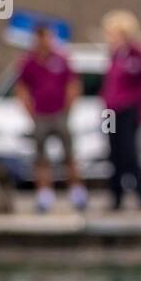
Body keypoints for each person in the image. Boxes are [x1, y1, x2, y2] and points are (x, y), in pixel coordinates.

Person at [15, 24, 85, 213]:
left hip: (60, 114)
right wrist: (30, 111)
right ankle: (44, 195)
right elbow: (22, 88)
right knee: (41, 158)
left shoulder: (61, 59)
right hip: (40, 116)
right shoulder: (28, 62)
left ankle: (77, 192)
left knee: (69, 155)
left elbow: (73, 84)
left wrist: (68, 108)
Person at [100, 10, 141, 210]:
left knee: (129, 153)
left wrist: (131, 100)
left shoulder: (137, 53)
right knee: (114, 153)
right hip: (111, 111)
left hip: (128, 110)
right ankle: (116, 197)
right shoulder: (114, 54)